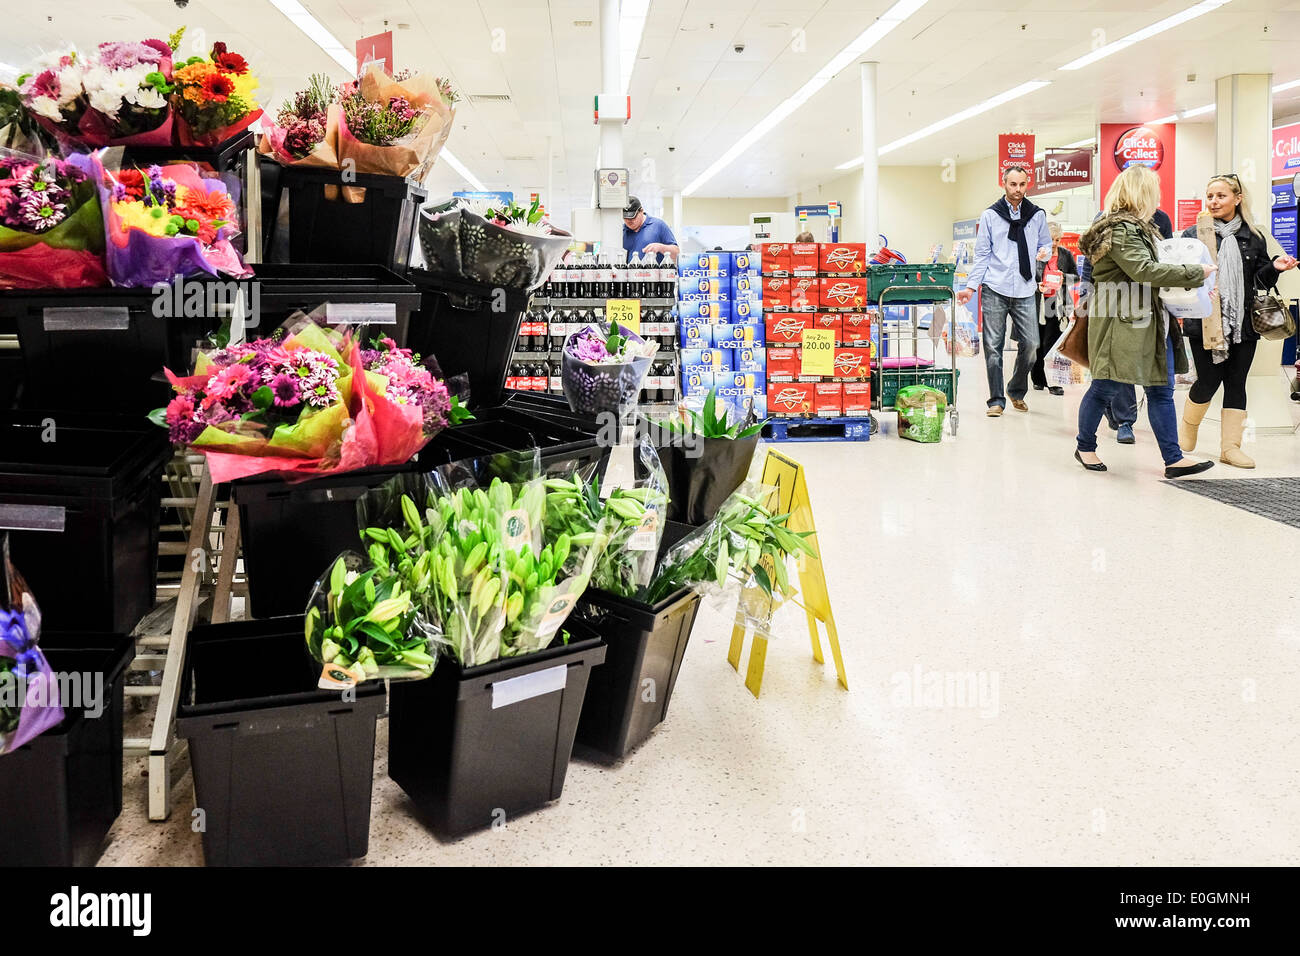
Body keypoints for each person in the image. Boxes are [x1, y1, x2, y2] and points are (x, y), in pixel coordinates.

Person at [1074, 165, 1218, 478]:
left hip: (1147, 320)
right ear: (1141, 192)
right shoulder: (1122, 230)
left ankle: (1173, 458)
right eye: (1155, 190)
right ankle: (1085, 446)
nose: (1159, 196)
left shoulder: (1139, 228)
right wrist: (1195, 274)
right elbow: (1144, 271)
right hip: (1121, 321)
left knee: (1161, 389)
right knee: (1105, 386)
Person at [1177, 174, 1299, 467]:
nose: (1214, 201)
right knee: (1208, 380)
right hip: (1206, 319)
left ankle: (1230, 448)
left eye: (1220, 195)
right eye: (1210, 196)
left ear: (1237, 198)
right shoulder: (1193, 235)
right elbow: (1181, 276)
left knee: (1236, 382)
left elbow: (1258, 278)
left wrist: (1275, 267)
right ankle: (1188, 427)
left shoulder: (1253, 236)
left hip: (1243, 321)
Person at [956, 166, 1052, 417]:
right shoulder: (990, 215)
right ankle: (996, 400)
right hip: (995, 287)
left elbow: (1046, 243)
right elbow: (982, 255)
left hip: (1025, 288)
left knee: (1031, 344)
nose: (1017, 190)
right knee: (993, 345)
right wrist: (970, 287)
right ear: (1004, 184)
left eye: (1021, 185)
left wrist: (1045, 253)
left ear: (1027, 184)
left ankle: (1016, 389)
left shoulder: (1036, 215)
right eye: (1013, 185)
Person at [1030, 221, 1077, 397]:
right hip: (1038, 303)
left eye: (1058, 239)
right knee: (1037, 343)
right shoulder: (1037, 255)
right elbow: (1026, 279)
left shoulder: (1065, 254)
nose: (1055, 243)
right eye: (1051, 239)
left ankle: (1054, 381)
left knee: (1054, 343)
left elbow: (1076, 278)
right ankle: (1038, 379)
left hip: (1057, 305)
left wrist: (1063, 278)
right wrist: (1037, 285)